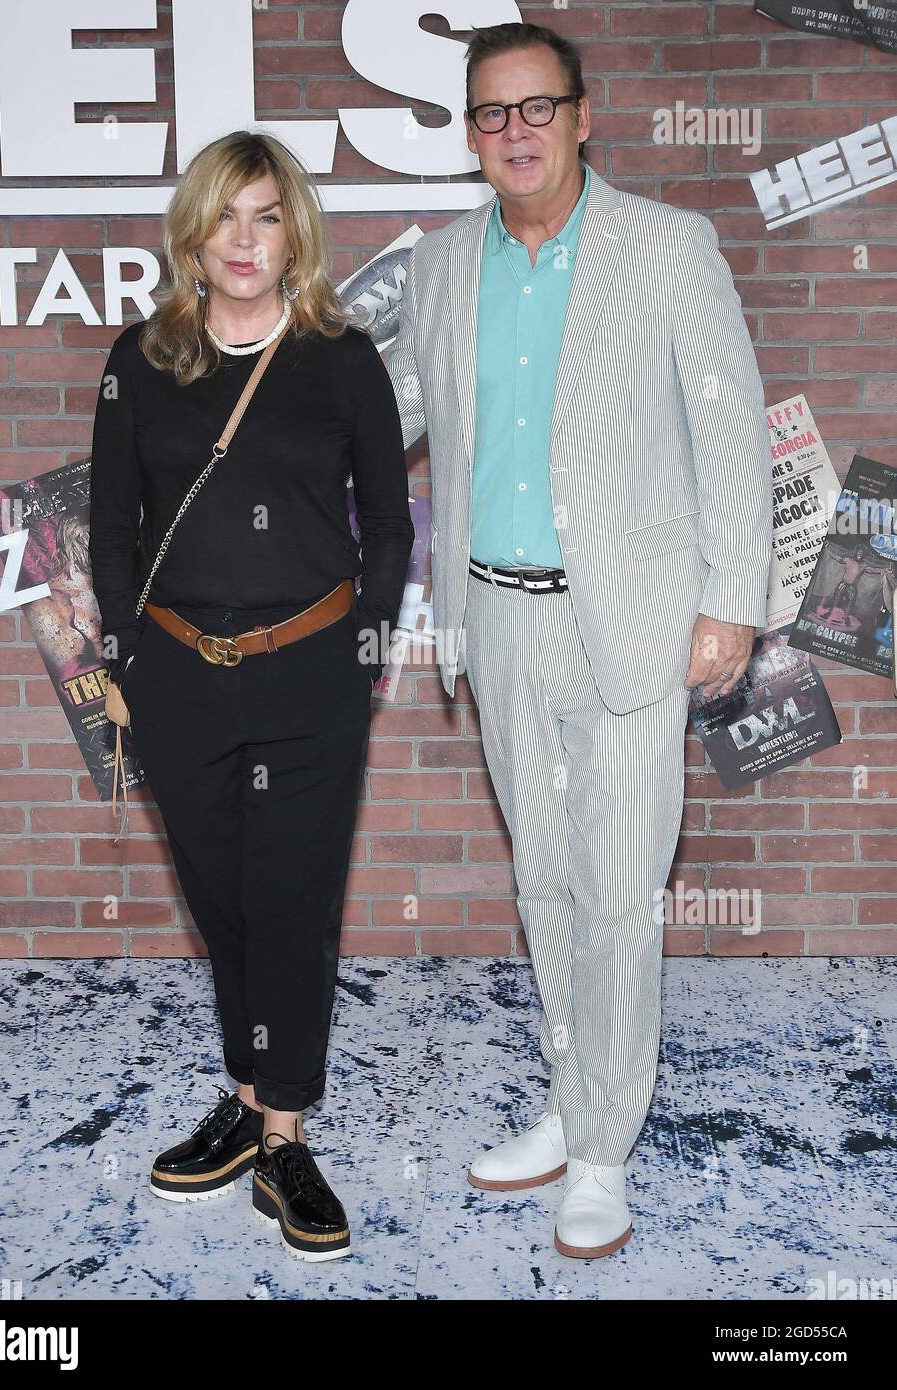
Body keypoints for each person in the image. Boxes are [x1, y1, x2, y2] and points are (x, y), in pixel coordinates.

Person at [386, 21, 773, 1258]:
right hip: (494, 618)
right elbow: (383, 409)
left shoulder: (665, 248)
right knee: (544, 881)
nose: (515, 132)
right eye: (491, 115)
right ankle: (571, 1098)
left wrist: (733, 598)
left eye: (536, 107)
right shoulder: (444, 265)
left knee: (618, 892)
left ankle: (604, 1147)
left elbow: (729, 435)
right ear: (471, 135)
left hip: (634, 622)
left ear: (582, 113)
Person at [89, 129, 413, 1263]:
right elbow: (113, 525)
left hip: (310, 671)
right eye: (224, 215)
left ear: (295, 232)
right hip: (177, 673)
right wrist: (128, 656)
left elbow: (389, 523)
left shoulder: (342, 357)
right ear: (193, 230)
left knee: (289, 898)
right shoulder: (142, 358)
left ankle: (283, 1134)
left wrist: (360, 655)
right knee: (219, 896)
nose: (243, 239)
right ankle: (243, 1087)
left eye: (265, 215)